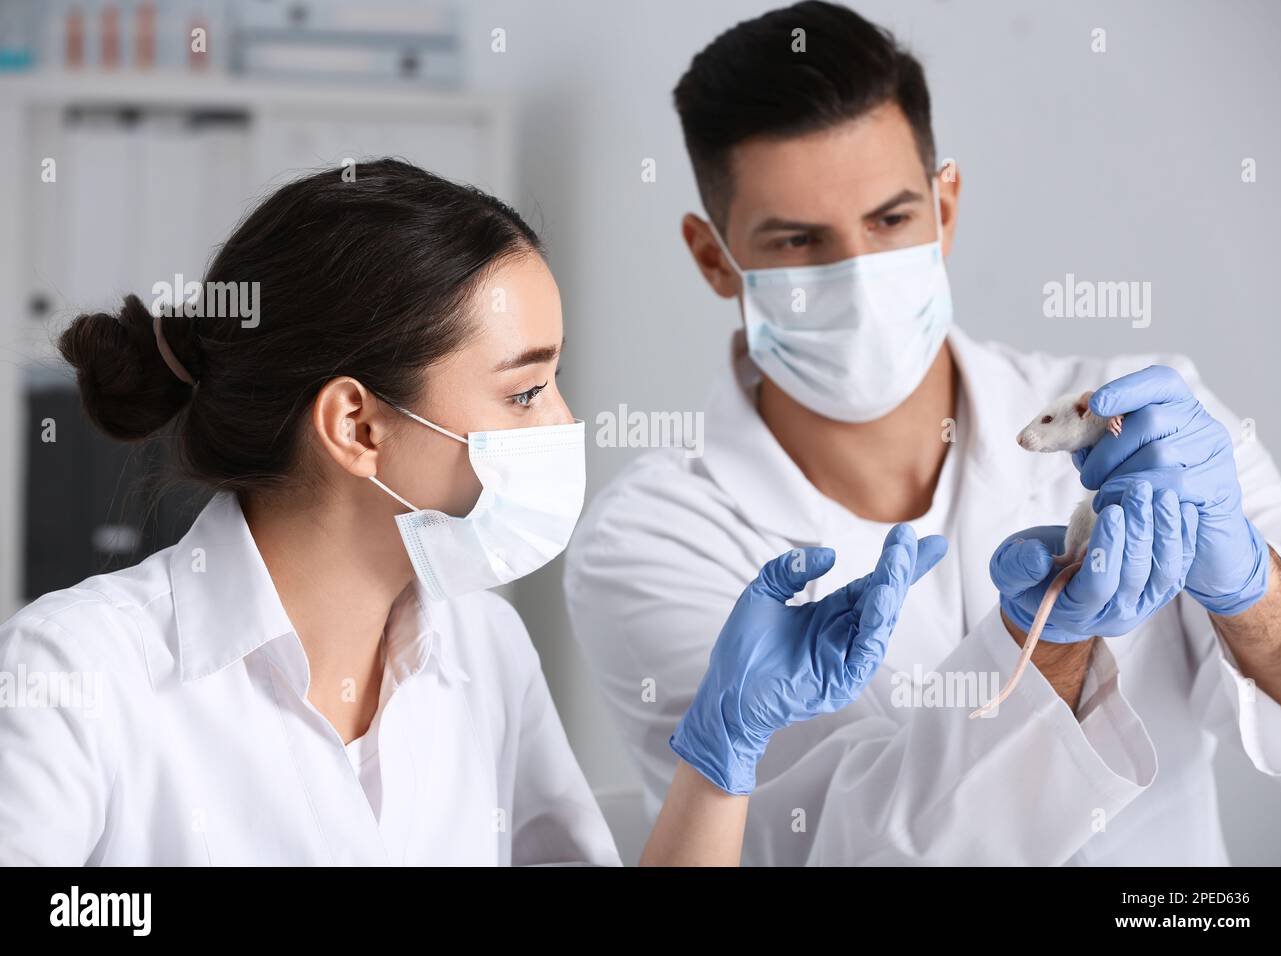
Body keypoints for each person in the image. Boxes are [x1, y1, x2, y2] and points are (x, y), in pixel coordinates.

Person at [0, 159, 944, 866]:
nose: (567, 425)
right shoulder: (80, 671)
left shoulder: (481, 649)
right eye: (526, 393)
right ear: (358, 426)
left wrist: (724, 747)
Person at [564, 1, 1281, 865]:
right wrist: (1048, 652)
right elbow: (816, 850)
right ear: (712, 256)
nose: (860, 278)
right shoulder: (649, 540)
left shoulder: (1151, 423)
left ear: (945, 207)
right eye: (799, 240)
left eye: (889, 220)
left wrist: (1252, 590)